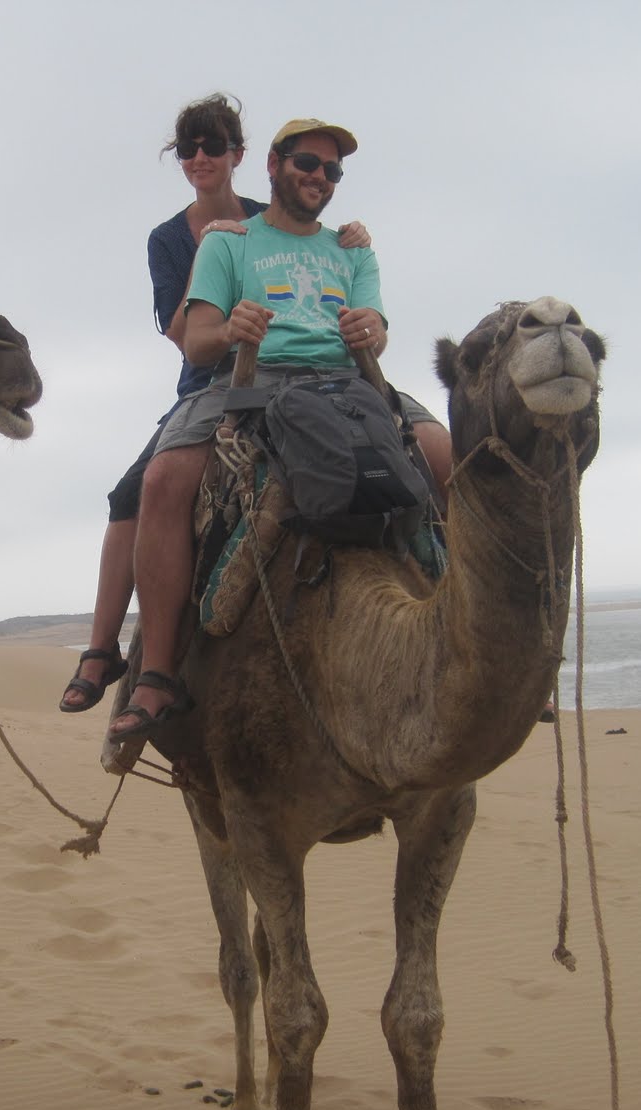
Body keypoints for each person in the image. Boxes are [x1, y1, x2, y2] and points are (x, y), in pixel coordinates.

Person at [107, 117, 454, 742]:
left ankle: (462, 632)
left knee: (444, 455)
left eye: (331, 170)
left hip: (346, 383)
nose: (319, 176)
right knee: (162, 480)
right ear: (273, 164)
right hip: (249, 379)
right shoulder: (230, 241)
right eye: (307, 163)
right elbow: (198, 343)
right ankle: (156, 671)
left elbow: (376, 321)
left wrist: (371, 332)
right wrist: (231, 328)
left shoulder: (352, 248)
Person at [58, 95, 370, 713]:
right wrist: (212, 259)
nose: (200, 158)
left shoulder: (267, 216)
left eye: (213, 146)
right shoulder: (171, 239)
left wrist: (351, 237)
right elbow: (183, 334)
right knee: (136, 492)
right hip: (210, 378)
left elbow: (311, 250)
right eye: (189, 149)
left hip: (305, 368)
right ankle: (107, 649)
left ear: (240, 156)